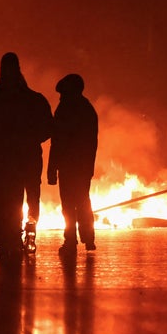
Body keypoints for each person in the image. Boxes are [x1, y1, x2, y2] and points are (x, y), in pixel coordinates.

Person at [0, 52, 53, 254]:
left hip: (8, 158)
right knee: (32, 196)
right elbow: (49, 128)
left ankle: (10, 234)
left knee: (10, 197)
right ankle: (30, 232)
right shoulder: (34, 99)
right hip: (29, 156)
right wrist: (31, 138)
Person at [47, 73, 100, 256]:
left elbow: (57, 142)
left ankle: (70, 240)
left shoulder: (64, 110)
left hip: (69, 166)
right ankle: (88, 238)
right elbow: (92, 144)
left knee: (68, 205)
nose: (60, 97)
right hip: (82, 166)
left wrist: (52, 168)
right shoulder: (88, 110)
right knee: (83, 201)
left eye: (62, 93)